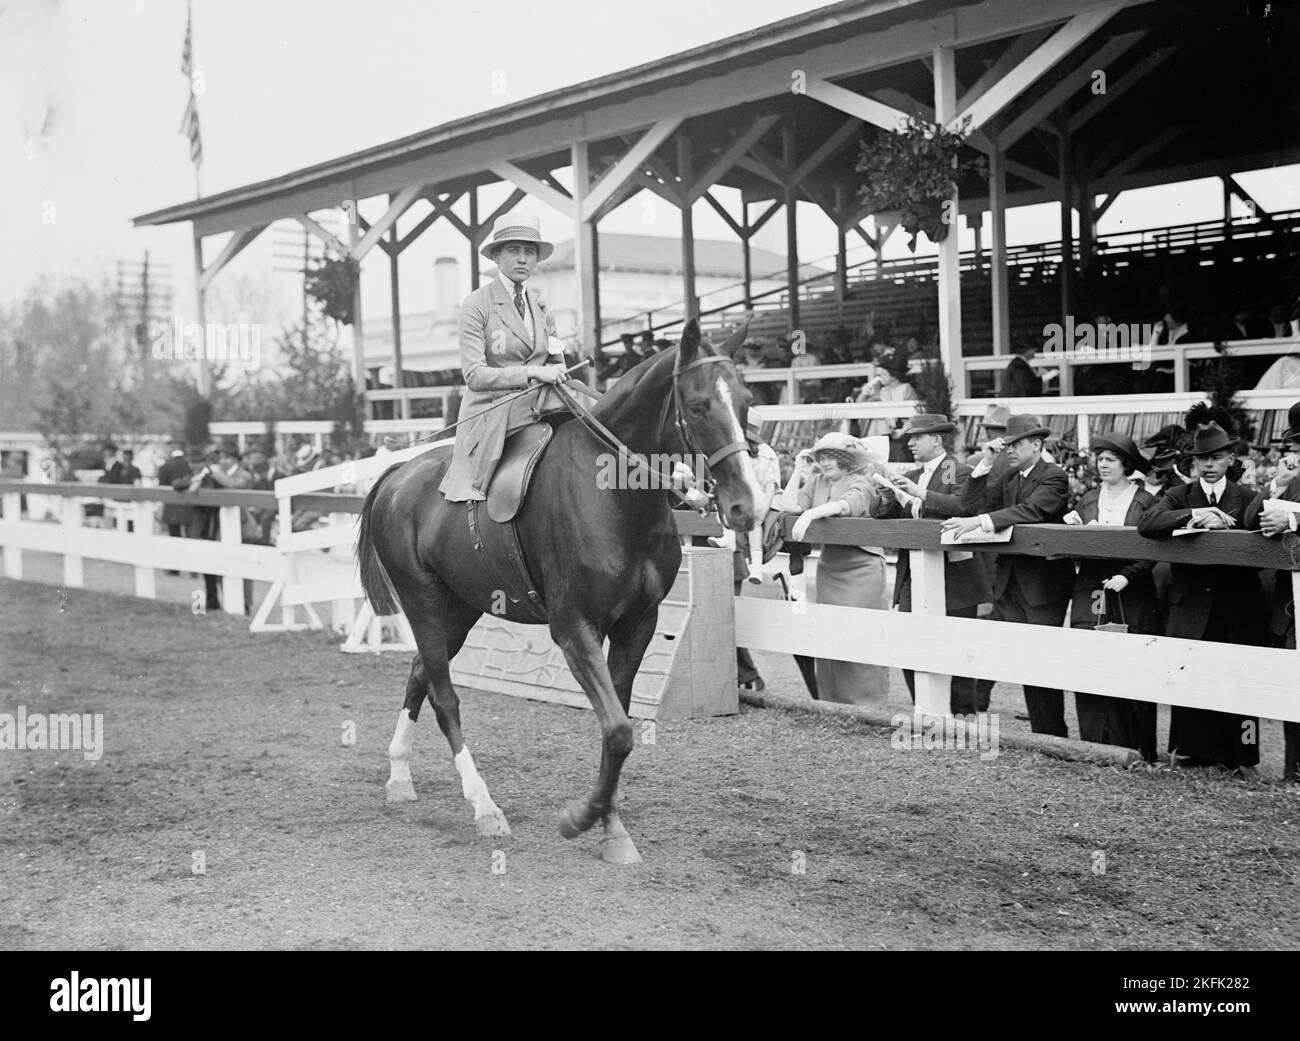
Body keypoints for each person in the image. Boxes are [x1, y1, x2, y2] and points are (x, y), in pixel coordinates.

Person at [1137, 421, 1268, 776]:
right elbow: (1148, 522)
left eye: (1217, 457)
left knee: (1238, 681)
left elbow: (1263, 534)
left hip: (1236, 603)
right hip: (1191, 602)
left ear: (1230, 459)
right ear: (1193, 462)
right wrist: (1196, 514)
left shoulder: (1247, 496)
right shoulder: (1180, 495)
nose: (1209, 465)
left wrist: (1231, 528)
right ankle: (1190, 753)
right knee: (1191, 676)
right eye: (1202, 459)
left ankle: (1242, 757)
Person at [944, 414, 1074, 738]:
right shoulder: (1011, 477)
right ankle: (1040, 734)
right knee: (1013, 656)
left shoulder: (1054, 476)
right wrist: (985, 464)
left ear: (1036, 444)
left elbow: (1032, 511)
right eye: (1008, 444)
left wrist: (981, 522)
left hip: (1042, 585)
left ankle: (1051, 734)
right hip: (1011, 584)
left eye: (1016, 444)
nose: (1010, 449)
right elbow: (969, 505)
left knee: (1040, 661)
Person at [439, 213, 569, 503]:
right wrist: (533, 373)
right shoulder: (477, 304)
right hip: (491, 411)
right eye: (514, 250)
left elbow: (556, 361)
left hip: (539, 403)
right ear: (497, 256)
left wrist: (558, 370)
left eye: (530, 252)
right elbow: (474, 376)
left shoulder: (541, 306)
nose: (523, 258)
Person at [871, 413, 991, 714]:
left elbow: (963, 506)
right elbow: (882, 514)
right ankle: (923, 708)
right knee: (911, 643)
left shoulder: (962, 472)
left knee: (958, 644)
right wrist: (886, 497)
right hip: (913, 573)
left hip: (956, 573)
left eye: (916, 437)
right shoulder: (910, 476)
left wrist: (919, 493)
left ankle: (963, 713)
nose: (910, 443)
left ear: (936, 440)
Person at [1063, 433, 1160, 760]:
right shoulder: (1088, 499)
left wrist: (1127, 575)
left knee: (1132, 663)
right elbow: (1075, 549)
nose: (1102, 465)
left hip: (1131, 592)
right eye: (1100, 459)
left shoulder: (1147, 501)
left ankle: (1136, 747)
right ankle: (1094, 741)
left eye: (1110, 459)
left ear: (1126, 464)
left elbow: (1155, 548)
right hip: (1091, 588)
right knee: (1090, 657)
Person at [787, 432, 889, 707]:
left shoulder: (861, 481)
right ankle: (831, 701)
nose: (827, 461)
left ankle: (868, 703)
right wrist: (798, 468)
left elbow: (849, 505)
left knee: (858, 635)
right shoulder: (816, 481)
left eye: (833, 456)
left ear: (847, 459)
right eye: (822, 456)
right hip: (829, 567)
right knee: (829, 636)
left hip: (862, 567)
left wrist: (811, 514)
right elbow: (788, 506)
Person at [1245, 403, 1300, 781]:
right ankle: (1293, 770)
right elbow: (1250, 521)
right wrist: (1276, 488)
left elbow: (1288, 519)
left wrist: (1293, 518)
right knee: (1291, 682)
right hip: (1292, 602)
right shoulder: (1292, 481)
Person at [189, 441, 253, 613]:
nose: (223, 461)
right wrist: (201, 478)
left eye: (227, 457)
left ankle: (245, 604)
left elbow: (233, 485)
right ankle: (228, 602)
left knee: (242, 567)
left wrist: (213, 473)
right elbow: (194, 489)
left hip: (241, 525)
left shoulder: (244, 475)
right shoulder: (219, 474)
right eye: (221, 457)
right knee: (221, 563)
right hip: (219, 525)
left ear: (236, 459)